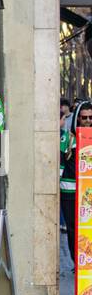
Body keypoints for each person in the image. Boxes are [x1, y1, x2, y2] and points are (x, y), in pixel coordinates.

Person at [60, 100, 92, 265]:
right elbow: (60, 162)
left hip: (88, 190)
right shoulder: (68, 138)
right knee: (73, 229)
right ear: (77, 118)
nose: (87, 121)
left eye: (90, 117)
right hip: (69, 189)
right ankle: (77, 262)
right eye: (83, 117)